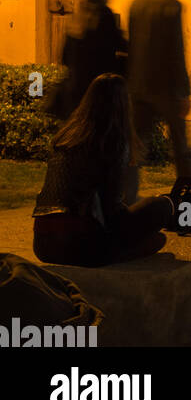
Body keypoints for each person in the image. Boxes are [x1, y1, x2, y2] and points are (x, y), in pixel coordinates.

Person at [33, 74, 174, 267]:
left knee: (149, 228)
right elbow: (112, 211)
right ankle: (117, 253)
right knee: (162, 206)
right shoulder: (112, 140)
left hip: (42, 243)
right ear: (124, 105)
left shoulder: (67, 137)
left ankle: (120, 250)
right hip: (76, 243)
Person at [126, 0, 191, 198]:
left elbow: (131, 47)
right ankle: (190, 196)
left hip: (139, 87)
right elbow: (177, 51)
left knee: (135, 146)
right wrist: (184, 92)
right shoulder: (172, 6)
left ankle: (127, 197)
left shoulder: (136, 5)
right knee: (180, 146)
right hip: (166, 88)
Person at [56, 0, 127, 118]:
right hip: (98, 86)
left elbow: (65, 54)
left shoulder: (80, 12)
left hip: (77, 86)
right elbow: (118, 43)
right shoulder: (105, 14)